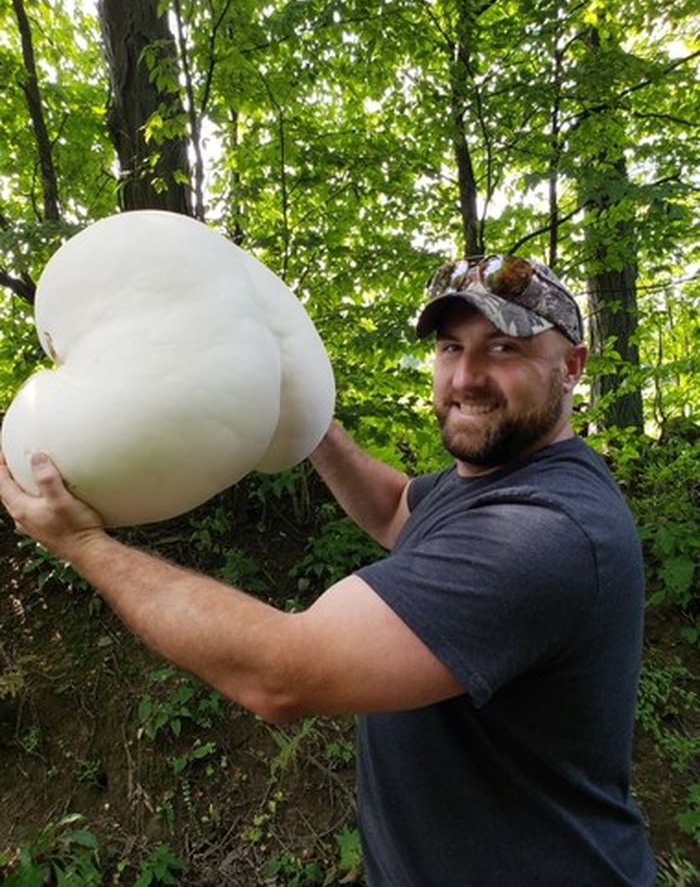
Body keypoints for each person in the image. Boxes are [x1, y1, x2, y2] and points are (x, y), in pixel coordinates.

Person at [0, 253, 655, 885]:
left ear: (571, 366)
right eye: (452, 347)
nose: (465, 377)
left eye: (503, 348)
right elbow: (400, 508)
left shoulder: (546, 533)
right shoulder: (494, 481)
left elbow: (281, 673)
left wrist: (87, 546)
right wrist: (303, 410)